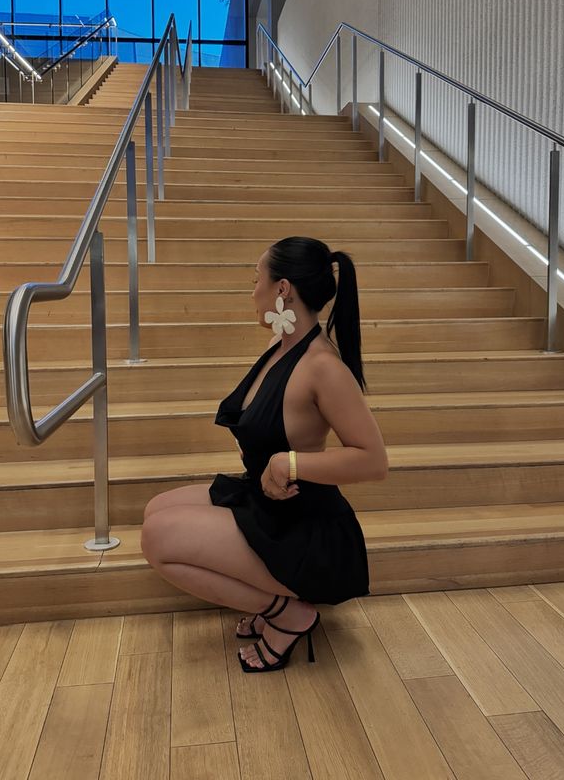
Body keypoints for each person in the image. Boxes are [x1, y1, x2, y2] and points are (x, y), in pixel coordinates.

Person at [140, 236, 388, 673]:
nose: (252, 289)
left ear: (282, 288)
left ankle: (286, 613)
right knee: (156, 510)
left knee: (158, 538)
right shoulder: (284, 348)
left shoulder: (322, 366)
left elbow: (373, 460)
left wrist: (288, 462)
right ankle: (276, 601)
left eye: (257, 279)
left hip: (308, 530)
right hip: (270, 504)